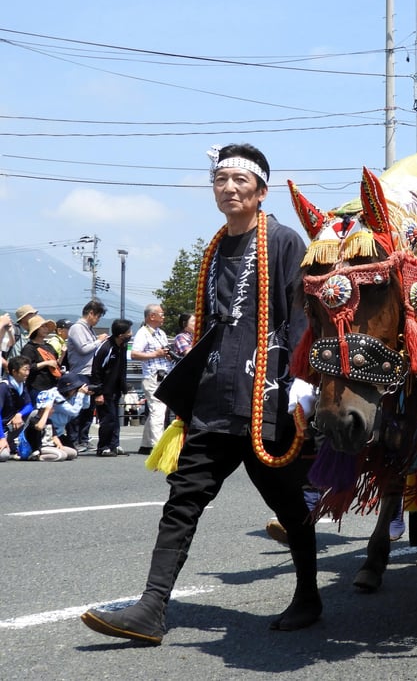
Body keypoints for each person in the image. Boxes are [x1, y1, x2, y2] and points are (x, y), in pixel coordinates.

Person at [81, 142, 319, 645]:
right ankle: (151, 607)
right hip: (213, 402)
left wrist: (303, 381)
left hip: (266, 400)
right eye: (221, 180)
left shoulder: (283, 241)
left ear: (261, 192)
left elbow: (300, 314)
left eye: (241, 182)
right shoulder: (213, 250)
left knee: (287, 503)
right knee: (182, 501)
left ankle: (309, 594)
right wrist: (186, 401)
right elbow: (209, 328)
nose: (229, 189)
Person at [65, 300, 108, 451]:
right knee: (77, 408)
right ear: (91, 313)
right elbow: (83, 349)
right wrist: (99, 341)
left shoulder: (89, 329)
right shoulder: (77, 328)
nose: (98, 320)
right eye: (97, 316)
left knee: (88, 409)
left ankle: (83, 439)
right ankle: (74, 440)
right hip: (80, 373)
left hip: (90, 373)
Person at [130, 303, 173, 455]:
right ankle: (157, 446)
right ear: (151, 316)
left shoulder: (160, 333)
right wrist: (155, 354)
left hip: (164, 374)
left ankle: (146, 444)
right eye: (161, 314)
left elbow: (164, 351)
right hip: (152, 376)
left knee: (158, 410)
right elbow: (134, 354)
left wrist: (167, 354)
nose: (163, 317)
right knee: (158, 410)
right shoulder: (143, 333)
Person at [91, 318, 133, 457]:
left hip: (115, 389)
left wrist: (123, 387)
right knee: (107, 419)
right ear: (120, 335)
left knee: (115, 418)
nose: (130, 334)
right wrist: (98, 392)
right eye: (128, 332)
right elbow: (96, 371)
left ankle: (114, 445)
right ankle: (103, 447)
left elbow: (122, 368)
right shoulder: (106, 348)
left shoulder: (121, 346)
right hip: (104, 390)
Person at [24, 372, 89, 461]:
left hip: (57, 434)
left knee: (73, 453)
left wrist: (86, 394)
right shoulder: (55, 397)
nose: (76, 390)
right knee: (61, 455)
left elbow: (85, 406)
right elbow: (74, 411)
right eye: (75, 388)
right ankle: (38, 455)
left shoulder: (71, 396)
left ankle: (52, 451)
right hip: (41, 440)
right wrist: (47, 410)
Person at [20, 316, 60, 404]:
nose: (46, 329)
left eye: (46, 326)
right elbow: (27, 367)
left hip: (52, 386)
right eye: (43, 326)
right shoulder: (29, 348)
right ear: (36, 329)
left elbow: (56, 363)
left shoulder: (49, 346)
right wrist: (46, 363)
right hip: (37, 387)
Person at [1, 356, 33, 461]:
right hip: (2, 429)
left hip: (11, 427)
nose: (27, 373)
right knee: (3, 456)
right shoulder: (4, 387)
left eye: (28, 369)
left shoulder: (22, 385)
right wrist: (1, 438)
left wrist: (19, 414)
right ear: (14, 371)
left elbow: (29, 405)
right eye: (25, 369)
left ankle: (20, 444)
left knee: (34, 413)